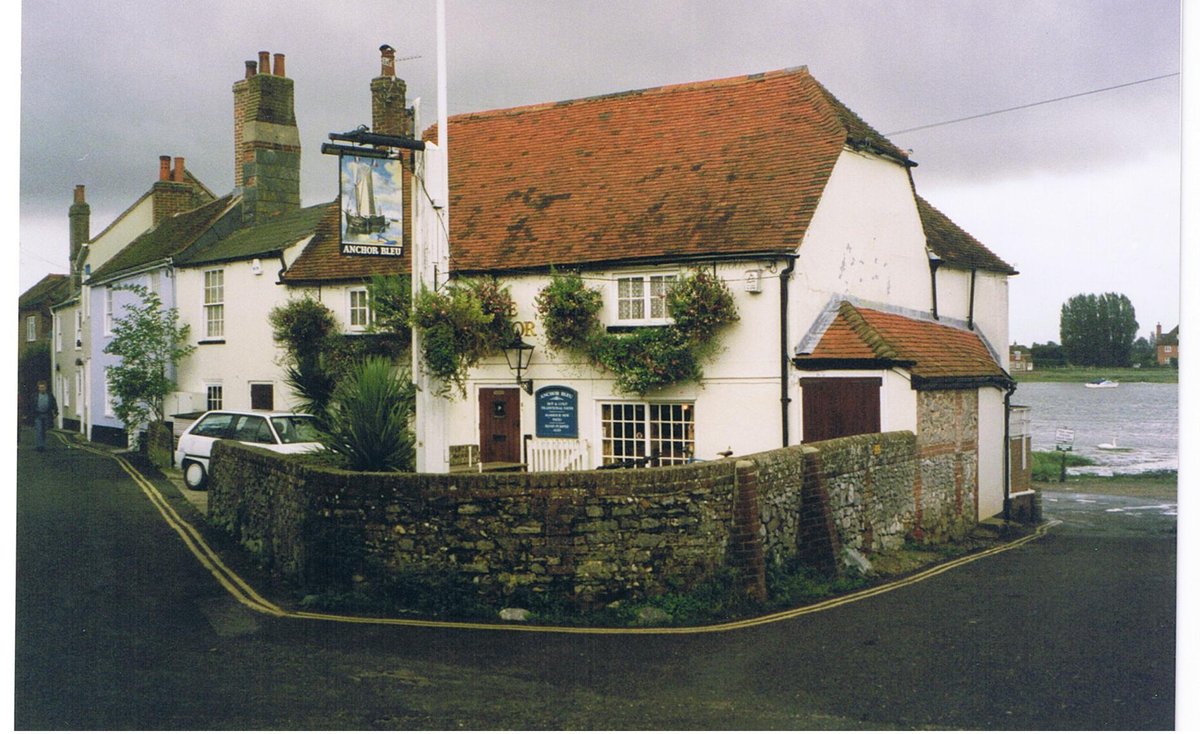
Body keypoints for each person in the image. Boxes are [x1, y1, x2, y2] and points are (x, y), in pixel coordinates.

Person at [33, 380, 57, 451]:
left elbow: (54, 404)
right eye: (40, 387)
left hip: (47, 414)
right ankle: (39, 446)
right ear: (38, 388)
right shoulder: (35, 396)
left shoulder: (50, 395)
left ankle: (42, 444)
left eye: (43, 387)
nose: (42, 389)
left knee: (43, 430)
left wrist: (56, 412)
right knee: (39, 430)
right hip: (38, 415)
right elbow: (31, 405)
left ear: (46, 387)